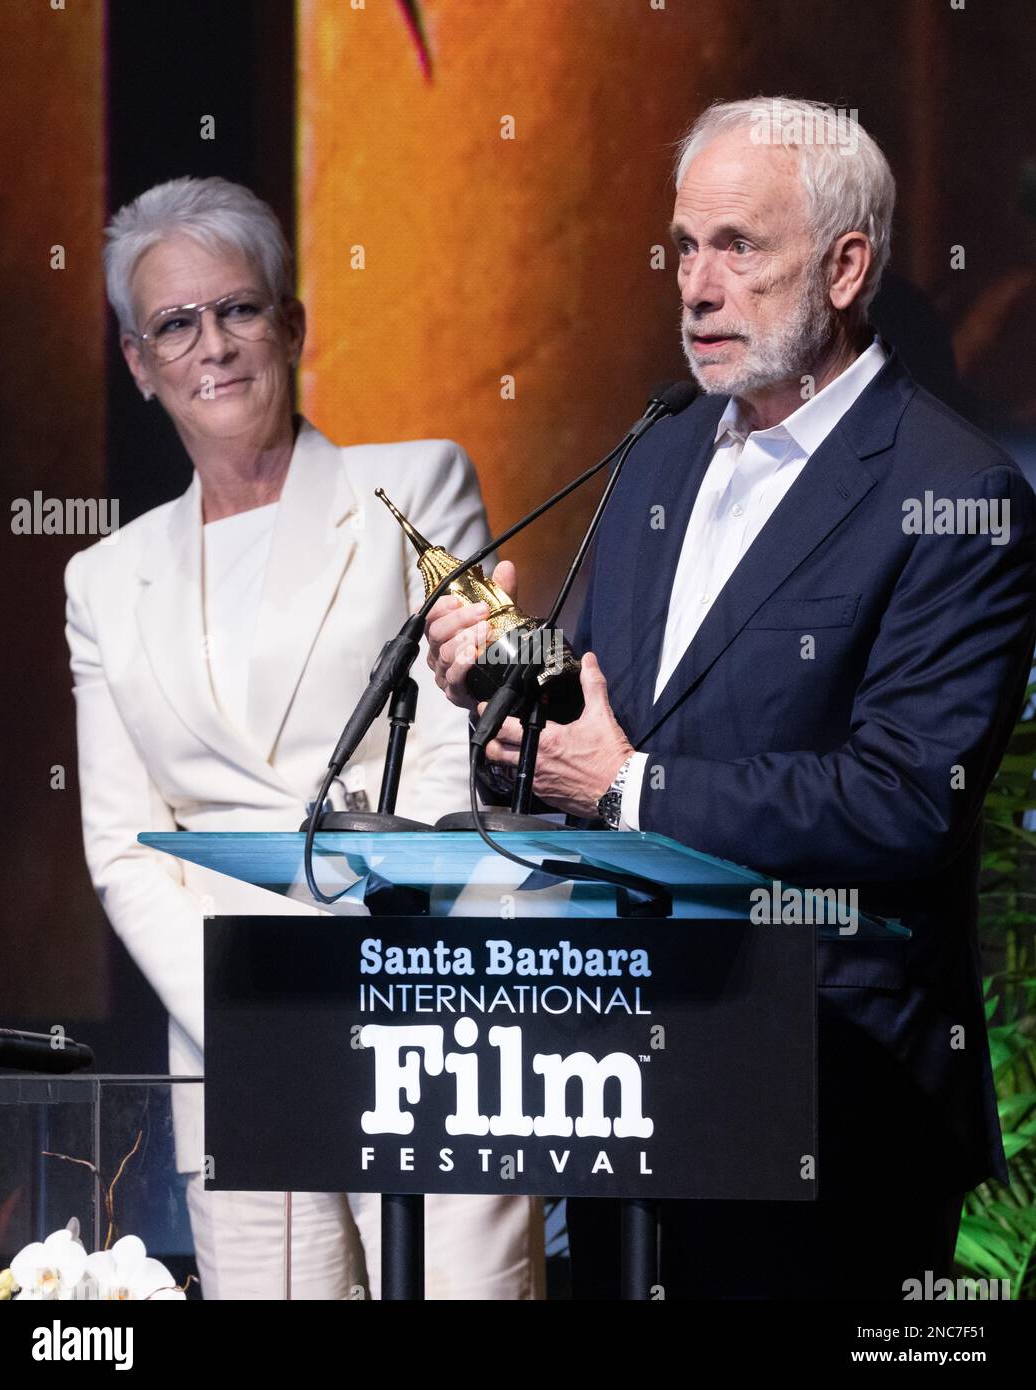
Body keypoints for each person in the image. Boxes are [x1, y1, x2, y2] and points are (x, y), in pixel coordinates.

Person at [424, 97, 1036, 1299]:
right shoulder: (658, 451)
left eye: (738, 248)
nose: (695, 285)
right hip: (623, 1075)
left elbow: (905, 799)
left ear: (848, 266)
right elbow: (592, 729)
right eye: (683, 247)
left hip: (835, 1100)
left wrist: (626, 785)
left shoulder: (953, 494)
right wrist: (506, 690)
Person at [64, 175, 545, 1300]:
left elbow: (444, 755)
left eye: (237, 308)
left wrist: (358, 977)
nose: (212, 346)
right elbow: (125, 845)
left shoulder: (414, 482)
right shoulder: (102, 578)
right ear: (139, 362)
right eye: (175, 324)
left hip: (424, 1001)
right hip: (230, 1027)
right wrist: (243, 1009)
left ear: (291, 323)